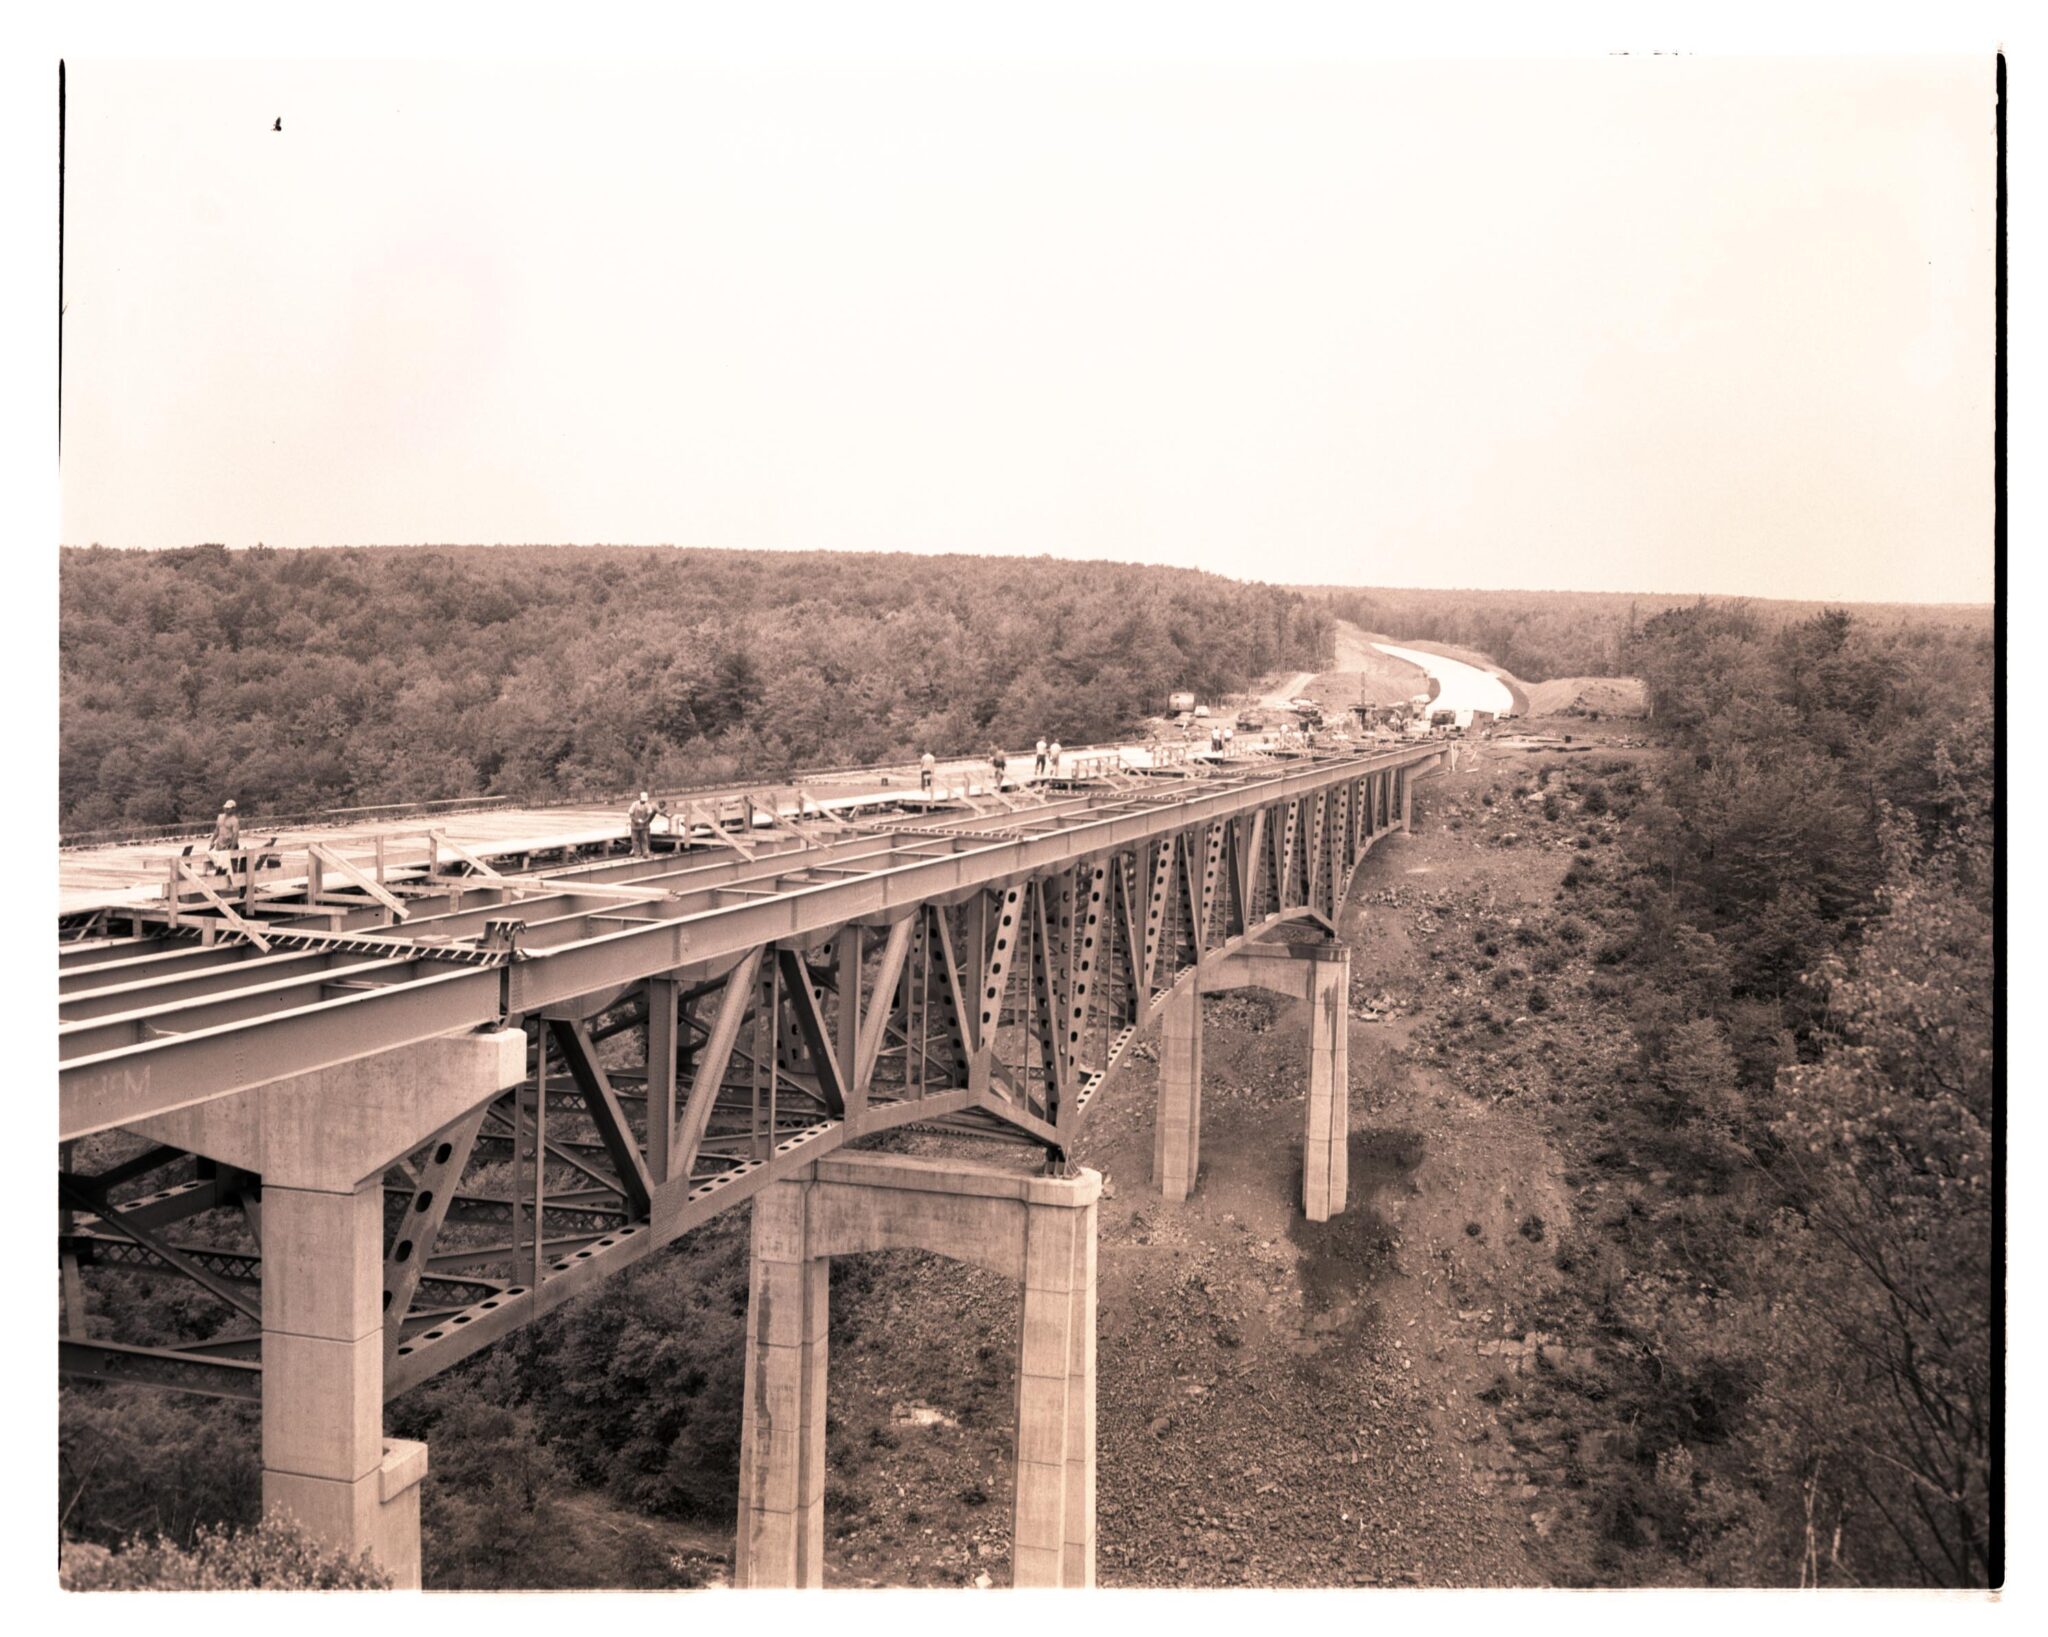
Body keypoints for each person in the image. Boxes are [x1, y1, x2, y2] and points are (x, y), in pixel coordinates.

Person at [207, 799, 241, 878]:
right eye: (226, 808)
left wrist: (232, 848)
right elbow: (217, 830)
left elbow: (236, 835)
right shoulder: (220, 817)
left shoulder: (234, 821)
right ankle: (219, 882)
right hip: (220, 844)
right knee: (219, 864)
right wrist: (212, 841)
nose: (227, 810)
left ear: (233, 809)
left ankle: (235, 884)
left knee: (232, 866)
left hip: (229, 844)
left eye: (229, 808)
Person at [627, 790, 655, 859]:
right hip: (635, 826)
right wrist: (635, 820)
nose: (643, 802)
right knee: (635, 840)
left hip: (644, 826)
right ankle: (637, 853)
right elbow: (630, 814)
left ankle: (645, 853)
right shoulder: (635, 804)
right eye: (642, 801)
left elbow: (649, 815)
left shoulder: (647, 805)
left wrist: (645, 821)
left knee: (644, 839)